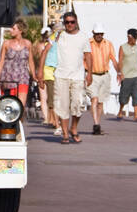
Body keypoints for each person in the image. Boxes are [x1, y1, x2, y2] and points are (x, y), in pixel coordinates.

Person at [52, 10, 92, 144]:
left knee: (78, 104)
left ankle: (73, 127)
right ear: (64, 23)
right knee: (62, 106)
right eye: (67, 22)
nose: (69, 24)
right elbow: (49, 49)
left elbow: (88, 55)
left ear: (76, 22)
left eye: (72, 22)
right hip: (61, 75)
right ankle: (65, 133)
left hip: (78, 76)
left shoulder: (83, 37)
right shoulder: (59, 35)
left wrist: (90, 73)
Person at [0, 21, 38, 106]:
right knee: (11, 104)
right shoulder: (6, 43)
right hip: (8, 78)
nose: (11, 30)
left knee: (21, 104)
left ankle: (21, 119)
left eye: (13, 28)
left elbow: (30, 61)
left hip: (23, 76)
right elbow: (1, 61)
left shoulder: (27, 44)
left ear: (20, 30)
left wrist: (34, 75)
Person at [86, 25, 116, 135]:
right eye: (97, 34)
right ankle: (96, 124)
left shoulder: (108, 44)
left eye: (101, 34)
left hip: (104, 75)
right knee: (94, 99)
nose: (99, 36)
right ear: (93, 33)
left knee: (100, 102)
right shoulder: (88, 43)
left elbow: (113, 59)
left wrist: (119, 72)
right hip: (92, 74)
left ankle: (97, 123)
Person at [117, 28, 137, 121]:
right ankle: (120, 111)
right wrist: (120, 73)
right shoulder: (123, 47)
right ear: (129, 37)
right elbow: (120, 61)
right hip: (126, 75)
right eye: (134, 37)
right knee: (124, 96)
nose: (135, 40)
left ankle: (136, 115)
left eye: (136, 38)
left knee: (136, 94)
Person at [38, 27, 59, 128]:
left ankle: (49, 118)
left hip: (48, 70)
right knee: (50, 97)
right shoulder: (51, 43)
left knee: (46, 97)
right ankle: (52, 120)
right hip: (49, 70)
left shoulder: (40, 45)